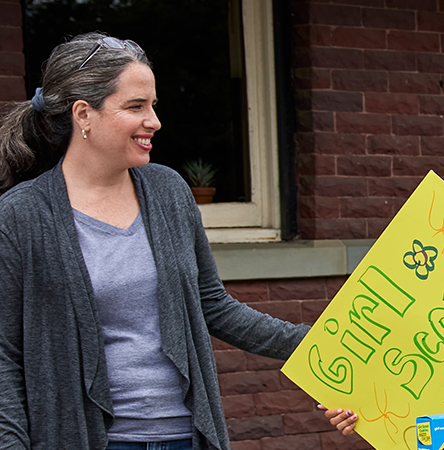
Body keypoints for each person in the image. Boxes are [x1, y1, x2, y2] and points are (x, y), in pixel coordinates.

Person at [0, 32, 322, 449]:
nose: (154, 120)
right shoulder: (22, 215)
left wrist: (317, 342)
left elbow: (214, 306)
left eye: (153, 105)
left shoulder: (168, 190)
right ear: (84, 114)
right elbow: (5, 355)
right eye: (136, 106)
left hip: (184, 436)